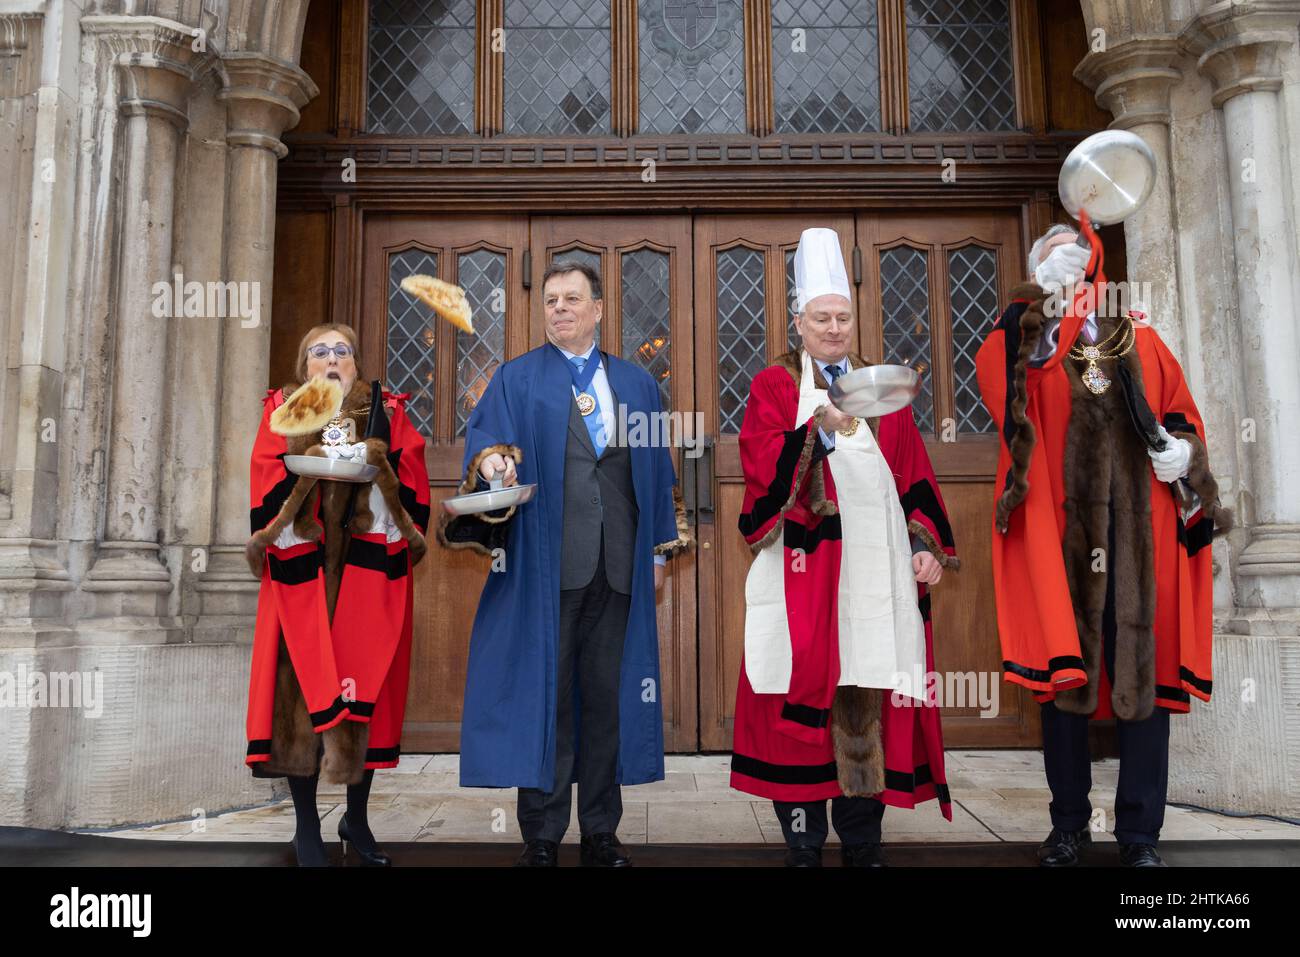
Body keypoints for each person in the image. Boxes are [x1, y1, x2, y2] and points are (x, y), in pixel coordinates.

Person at [974, 222, 1231, 867]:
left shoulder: (1138, 334)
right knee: (1067, 685)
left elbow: (1180, 411)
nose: (1069, 260)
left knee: (1139, 682)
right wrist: (1033, 311)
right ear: (1041, 268)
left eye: (1076, 251)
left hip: (1136, 534)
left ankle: (1140, 834)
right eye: (1053, 253)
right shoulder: (1026, 338)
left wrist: (1182, 452)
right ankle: (1068, 825)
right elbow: (1002, 394)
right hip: (1062, 537)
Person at [438, 261, 689, 867]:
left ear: (598, 310)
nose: (559, 309)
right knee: (546, 696)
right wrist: (496, 462)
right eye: (551, 301)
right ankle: (543, 833)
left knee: (607, 696)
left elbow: (657, 478)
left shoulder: (637, 385)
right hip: (545, 567)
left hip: (619, 564)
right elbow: (487, 442)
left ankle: (602, 829)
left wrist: (658, 549)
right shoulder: (516, 379)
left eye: (571, 299)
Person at [730, 228, 958, 867]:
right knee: (796, 701)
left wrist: (927, 544)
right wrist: (817, 434)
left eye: (843, 317)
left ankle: (862, 845)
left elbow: (914, 475)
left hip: (874, 578)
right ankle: (803, 845)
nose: (833, 328)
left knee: (868, 695)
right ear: (798, 322)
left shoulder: (882, 389)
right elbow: (761, 468)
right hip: (804, 576)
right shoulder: (774, 386)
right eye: (820, 317)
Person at [244, 323, 431, 866]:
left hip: (367, 567)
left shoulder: (386, 410)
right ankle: (307, 827)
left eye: (342, 351)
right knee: (297, 692)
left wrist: (378, 469)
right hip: (300, 569)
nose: (331, 359)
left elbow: (413, 483)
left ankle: (358, 817)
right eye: (320, 351)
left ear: (355, 364)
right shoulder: (283, 410)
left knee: (362, 685)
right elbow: (262, 477)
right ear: (305, 365)